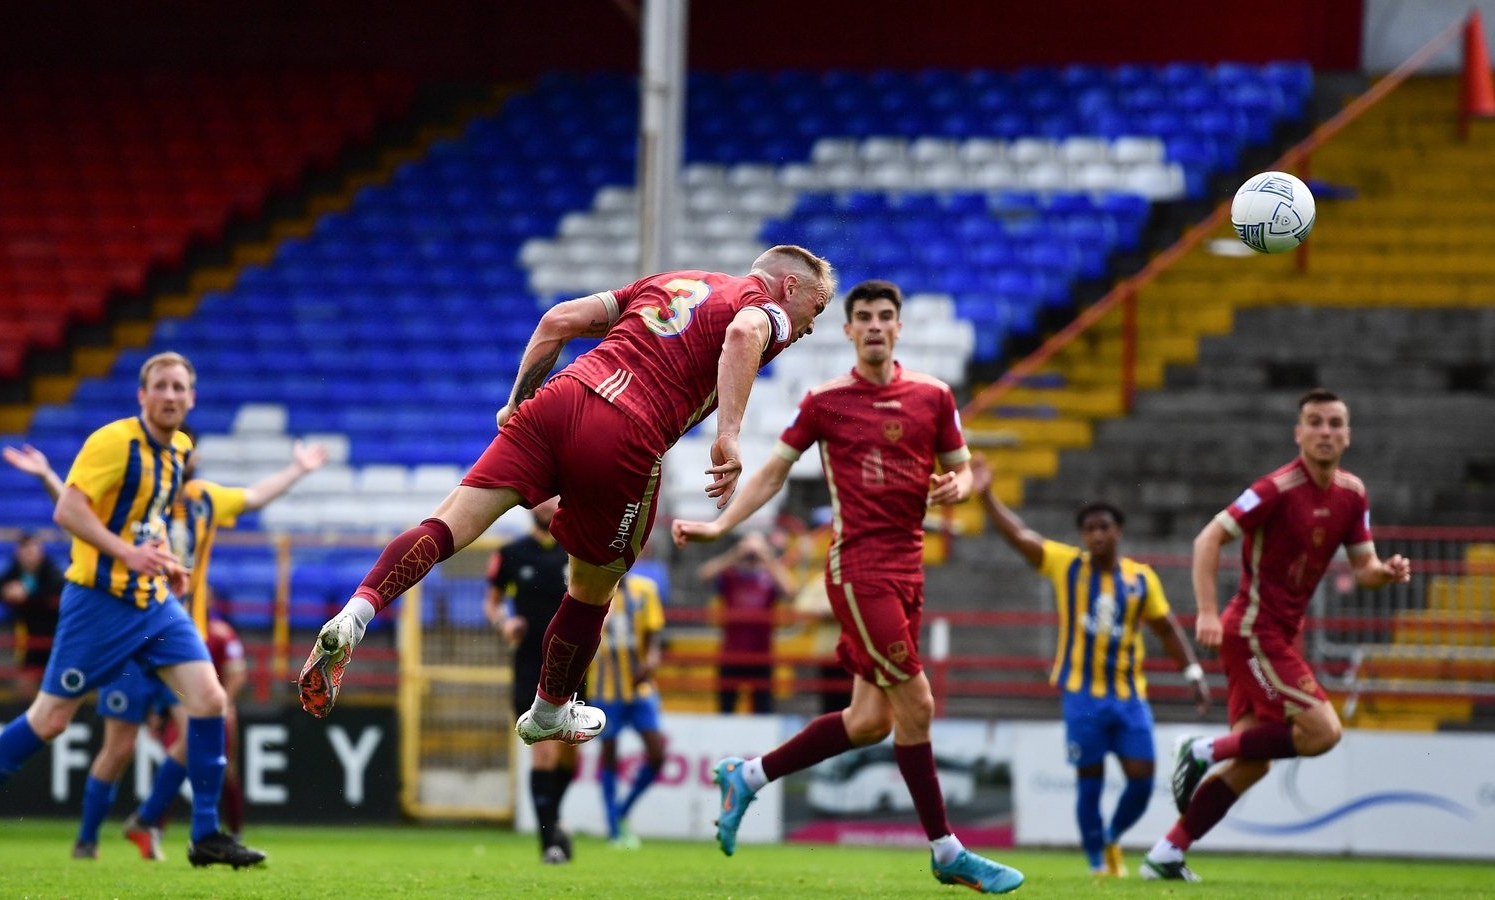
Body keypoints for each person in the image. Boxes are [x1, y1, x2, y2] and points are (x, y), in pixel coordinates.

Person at [298, 246, 836, 753]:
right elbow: (744, 331)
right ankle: (551, 709)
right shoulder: (767, 309)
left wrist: (515, 403)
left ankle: (355, 613)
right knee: (591, 587)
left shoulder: (673, 282)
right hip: (628, 434)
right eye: (816, 307)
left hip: (561, 398)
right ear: (790, 285)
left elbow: (557, 321)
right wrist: (730, 433)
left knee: (446, 524)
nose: (811, 325)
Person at [671, 279, 1024, 892]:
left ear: (900, 327)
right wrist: (721, 526)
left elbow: (964, 473)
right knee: (918, 705)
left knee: (868, 722)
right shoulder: (825, 402)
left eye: (887, 316)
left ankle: (747, 776)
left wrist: (955, 489)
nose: (876, 326)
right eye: (864, 318)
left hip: (909, 569)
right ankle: (946, 850)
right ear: (848, 330)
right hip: (859, 571)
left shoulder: (934, 397)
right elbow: (774, 475)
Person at [0, 352, 264, 869]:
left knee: (208, 700)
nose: (171, 396)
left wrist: (165, 561)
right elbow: (67, 509)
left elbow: (147, 518)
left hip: (152, 603)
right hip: (97, 603)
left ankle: (204, 834)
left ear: (191, 397)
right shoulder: (113, 442)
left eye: (180, 387)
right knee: (50, 721)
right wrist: (126, 554)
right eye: (161, 386)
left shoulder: (179, 449)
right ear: (143, 396)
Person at [2, 435, 325, 859]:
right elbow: (77, 509)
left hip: (179, 641)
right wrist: (47, 475)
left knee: (198, 732)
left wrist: (298, 470)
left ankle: (148, 817)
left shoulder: (204, 500)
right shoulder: (133, 496)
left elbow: (255, 497)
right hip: (130, 640)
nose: (183, 458)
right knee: (119, 745)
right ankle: (87, 839)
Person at [1140, 388, 1411, 882]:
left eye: (1334, 423)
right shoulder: (1274, 489)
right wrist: (1205, 612)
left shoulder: (1353, 493)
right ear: (1298, 433)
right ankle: (1202, 749)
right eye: (1314, 422)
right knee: (1324, 731)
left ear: (1347, 435)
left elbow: (1364, 567)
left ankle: (1166, 853)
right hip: (1252, 632)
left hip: (1281, 636)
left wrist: (1386, 571)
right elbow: (1208, 538)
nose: (1325, 431)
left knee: (1253, 761)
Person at [971, 454, 1210, 877]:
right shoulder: (1067, 566)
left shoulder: (1140, 579)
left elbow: (1167, 629)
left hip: (1129, 696)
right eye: (1089, 529)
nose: (1097, 535)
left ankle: (1113, 835)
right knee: (1090, 781)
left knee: (1141, 778)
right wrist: (987, 496)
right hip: (1081, 694)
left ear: (1117, 531)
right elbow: (1020, 536)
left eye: (1104, 527)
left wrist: (1192, 673)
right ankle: (1099, 865)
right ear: (1082, 535)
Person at [482, 496, 578, 864]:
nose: (548, 503)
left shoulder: (576, 549)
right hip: (529, 665)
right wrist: (503, 623)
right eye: (542, 498)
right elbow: (491, 602)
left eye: (556, 496)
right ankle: (550, 842)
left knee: (569, 757)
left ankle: (553, 820)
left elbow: (605, 595)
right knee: (544, 749)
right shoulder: (512, 553)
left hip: (572, 665)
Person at [592, 571, 667, 848]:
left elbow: (655, 635)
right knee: (609, 755)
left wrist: (652, 660)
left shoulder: (645, 590)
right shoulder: (593, 587)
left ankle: (621, 812)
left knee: (657, 755)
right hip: (605, 688)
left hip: (640, 687)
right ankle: (613, 828)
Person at [699, 532, 792, 714]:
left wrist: (767, 557)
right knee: (726, 709)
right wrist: (734, 555)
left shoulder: (769, 578)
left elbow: (790, 591)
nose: (751, 554)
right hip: (731, 653)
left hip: (761, 654)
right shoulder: (730, 576)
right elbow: (704, 575)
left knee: (763, 709)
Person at [0, 529, 64, 698]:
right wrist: (5, 591)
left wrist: (28, 594)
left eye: (33, 550)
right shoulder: (14, 572)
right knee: (25, 684)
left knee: (58, 687)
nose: (29, 555)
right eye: (25, 550)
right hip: (27, 639)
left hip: (54, 637)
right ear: (18, 553)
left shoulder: (50, 570)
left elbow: (58, 588)